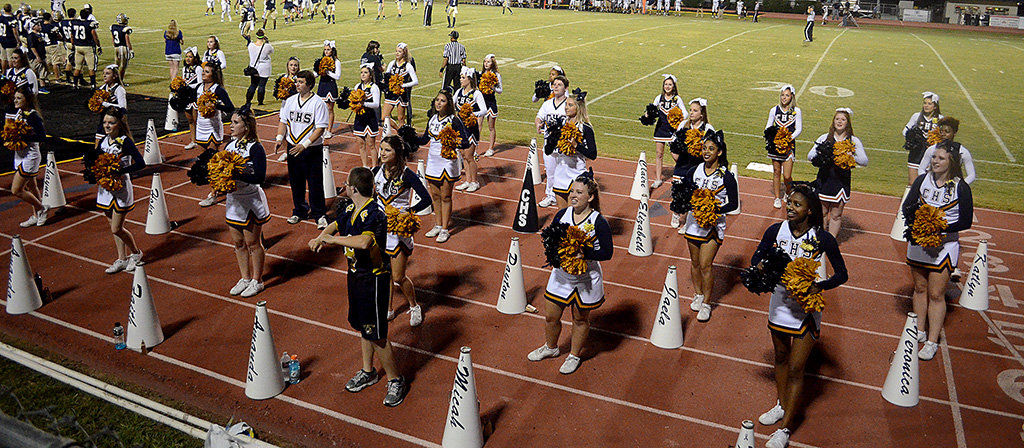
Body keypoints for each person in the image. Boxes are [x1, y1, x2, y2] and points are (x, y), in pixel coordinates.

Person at [751, 183, 848, 448]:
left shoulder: (822, 238)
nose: (790, 207)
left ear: (809, 211)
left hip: (806, 309)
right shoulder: (775, 231)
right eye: (789, 202)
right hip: (780, 303)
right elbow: (756, 258)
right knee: (781, 358)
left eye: (796, 204)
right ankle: (782, 405)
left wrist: (820, 285)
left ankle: (785, 429)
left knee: (796, 368)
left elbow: (842, 274)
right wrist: (760, 268)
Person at [309, 167, 408, 407]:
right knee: (364, 326)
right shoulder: (351, 208)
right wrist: (322, 236)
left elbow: (364, 241)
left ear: (353, 188)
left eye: (346, 184)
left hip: (373, 279)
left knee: (376, 333)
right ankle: (368, 371)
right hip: (355, 275)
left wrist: (332, 240)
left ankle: (396, 380)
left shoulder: (374, 213)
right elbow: (335, 223)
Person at [527, 173, 613, 375]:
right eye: (572, 191)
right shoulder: (561, 214)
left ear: (590, 197)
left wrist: (584, 253)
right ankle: (551, 347)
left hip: (586, 279)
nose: (573, 195)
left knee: (580, 319)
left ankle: (574, 355)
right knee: (551, 316)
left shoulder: (598, 221)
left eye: (579, 192)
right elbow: (552, 242)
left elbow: (607, 253)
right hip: (561, 276)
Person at [904, 144, 973, 361]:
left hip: (945, 246)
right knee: (920, 288)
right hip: (919, 243)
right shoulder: (921, 180)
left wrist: (938, 227)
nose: (935, 161)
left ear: (951, 162)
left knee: (936, 294)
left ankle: (932, 341)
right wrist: (918, 224)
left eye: (941, 158)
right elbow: (907, 207)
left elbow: (965, 221)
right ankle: (920, 330)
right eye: (934, 156)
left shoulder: (961, 187)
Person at [374, 134, 432, 326]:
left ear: (397, 153)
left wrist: (409, 212)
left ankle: (414, 306)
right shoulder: (376, 171)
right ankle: (388, 308)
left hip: (398, 231)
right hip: (380, 229)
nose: (382, 153)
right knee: (384, 272)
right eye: (381, 149)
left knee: (398, 276)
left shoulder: (407, 175)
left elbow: (426, 200)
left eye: (387, 150)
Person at [680, 130, 738, 322]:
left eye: (711, 149)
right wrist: (690, 204)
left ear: (719, 152)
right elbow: (685, 196)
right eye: (704, 148)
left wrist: (713, 210)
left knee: (706, 265)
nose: (706, 152)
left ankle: (707, 303)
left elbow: (733, 204)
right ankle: (697, 294)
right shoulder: (693, 171)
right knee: (695, 263)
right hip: (693, 224)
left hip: (713, 225)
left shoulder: (726, 176)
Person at [223, 107, 270, 298]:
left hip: (250, 200)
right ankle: (245, 278)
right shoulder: (229, 146)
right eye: (231, 122)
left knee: (252, 243)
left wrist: (235, 172)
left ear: (246, 126)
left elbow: (260, 176)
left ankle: (257, 280)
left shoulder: (255, 148)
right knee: (238, 243)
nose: (231, 126)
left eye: (235, 123)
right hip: (233, 200)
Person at [93, 107, 145, 274]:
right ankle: (121, 258)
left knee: (117, 228)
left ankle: (136, 253)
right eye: (105, 122)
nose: (107, 126)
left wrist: (121, 172)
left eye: (111, 123)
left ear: (119, 124)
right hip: (105, 189)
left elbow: (140, 163)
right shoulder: (103, 141)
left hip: (121, 188)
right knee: (112, 226)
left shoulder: (125, 141)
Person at [276, 70, 330, 228]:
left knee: (315, 183)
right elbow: (283, 121)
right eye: (296, 81)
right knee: (296, 182)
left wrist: (304, 145)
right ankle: (299, 210)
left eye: (300, 82)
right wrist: (279, 138)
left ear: (310, 85)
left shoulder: (318, 103)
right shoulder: (290, 100)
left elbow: (320, 128)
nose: (297, 84)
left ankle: (319, 214)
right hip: (293, 147)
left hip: (311, 149)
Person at [419, 89, 470, 243]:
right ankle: (437, 224)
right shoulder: (432, 118)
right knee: (435, 196)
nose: (439, 103)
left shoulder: (454, 120)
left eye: (442, 101)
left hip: (448, 162)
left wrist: (452, 142)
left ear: (449, 104)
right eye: (437, 100)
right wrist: (407, 136)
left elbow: (465, 142)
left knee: (445, 196)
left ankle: (445, 229)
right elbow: (424, 140)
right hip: (433, 161)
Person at [808, 108, 868, 237]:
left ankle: (831, 242)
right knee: (822, 213)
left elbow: (864, 161)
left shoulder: (853, 141)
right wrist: (822, 153)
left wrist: (850, 156)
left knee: (836, 215)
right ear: (833, 121)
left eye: (843, 119)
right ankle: (821, 240)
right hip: (824, 180)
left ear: (848, 123)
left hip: (841, 182)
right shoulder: (825, 137)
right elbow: (810, 156)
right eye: (837, 119)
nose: (839, 122)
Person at [544, 88, 596, 209]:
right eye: (566, 104)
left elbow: (593, 154)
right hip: (560, 173)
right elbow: (548, 151)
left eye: (570, 105)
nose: (566, 107)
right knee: (562, 214)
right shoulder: (559, 125)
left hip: (576, 174)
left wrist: (576, 146)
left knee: (574, 214)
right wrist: (552, 140)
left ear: (578, 108)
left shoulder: (585, 128)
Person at [5, 87, 48, 227]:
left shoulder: (33, 116)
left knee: (16, 190)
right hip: (20, 154)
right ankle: (36, 215)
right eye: (15, 98)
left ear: (27, 100)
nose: (15, 100)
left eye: (19, 98)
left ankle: (42, 208)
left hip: (30, 155)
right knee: (32, 186)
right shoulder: (19, 112)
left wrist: (23, 136)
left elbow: (42, 136)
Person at [194, 63, 236, 207]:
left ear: (213, 75)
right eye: (203, 72)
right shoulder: (199, 88)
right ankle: (219, 183)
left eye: (206, 72)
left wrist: (215, 106)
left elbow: (230, 107)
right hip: (200, 127)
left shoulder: (218, 89)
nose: (203, 74)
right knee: (203, 162)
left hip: (213, 128)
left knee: (212, 162)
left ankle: (213, 194)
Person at [670, 98, 715, 230]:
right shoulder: (683, 125)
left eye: (695, 111)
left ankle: (688, 222)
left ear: (702, 114)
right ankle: (676, 214)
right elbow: (673, 144)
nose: (691, 113)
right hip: (682, 165)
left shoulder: (707, 128)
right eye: (690, 110)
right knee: (678, 191)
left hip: (697, 167)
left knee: (692, 195)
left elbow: (712, 148)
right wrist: (677, 159)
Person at [644, 74, 686, 190]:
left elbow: (685, 113)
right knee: (659, 154)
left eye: (670, 84)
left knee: (676, 156)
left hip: (672, 130)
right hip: (660, 129)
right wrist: (647, 115)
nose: (667, 86)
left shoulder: (677, 99)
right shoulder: (659, 98)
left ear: (674, 86)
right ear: (663, 86)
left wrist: (678, 123)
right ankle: (658, 179)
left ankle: (682, 175)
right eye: (666, 84)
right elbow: (652, 109)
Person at [764, 84, 802, 208]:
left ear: (792, 97)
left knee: (787, 175)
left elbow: (799, 129)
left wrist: (787, 139)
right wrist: (775, 139)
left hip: (789, 146)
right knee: (776, 172)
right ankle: (776, 198)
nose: (784, 98)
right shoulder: (774, 110)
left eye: (787, 95)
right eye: (782, 95)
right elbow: (768, 127)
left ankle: (788, 192)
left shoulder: (796, 111)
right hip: (775, 145)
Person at [535, 75, 569, 208]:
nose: (555, 86)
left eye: (559, 84)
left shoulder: (568, 104)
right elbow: (539, 117)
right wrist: (538, 124)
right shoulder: (547, 104)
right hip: (549, 144)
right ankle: (550, 195)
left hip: (563, 145)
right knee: (550, 171)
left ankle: (564, 197)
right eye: (554, 84)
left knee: (564, 171)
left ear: (565, 88)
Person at [452, 66, 486, 193]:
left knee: (469, 155)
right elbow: (452, 103)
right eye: (461, 77)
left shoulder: (476, 94)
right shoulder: (459, 92)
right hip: (460, 128)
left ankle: (475, 181)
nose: (460, 79)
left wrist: (473, 114)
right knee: (462, 155)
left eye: (463, 77)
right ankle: (467, 180)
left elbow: (484, 110)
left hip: (471, 128)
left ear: (470, 79)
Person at [902, 91, 942, 185]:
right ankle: (909, 199)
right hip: (916, 152)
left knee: (927, 183)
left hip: (931, 154)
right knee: (912, 183)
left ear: (935, 106)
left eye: (929, 104)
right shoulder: (916, 116)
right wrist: (910, 137)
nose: (926, 106)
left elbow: (943, 136)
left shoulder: (940, 119)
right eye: (925, 103)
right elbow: (905, 130)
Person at [382, 42, 418, 133]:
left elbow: (415, 81)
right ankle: (400, 131)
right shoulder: (392, 64)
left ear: (404, 53)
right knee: (384, 117)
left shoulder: (408, 66)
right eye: (396, 51)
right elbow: (386, 77)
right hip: (391, 93)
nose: (397, 53)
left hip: (402, 94)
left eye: (400, 51)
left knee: (400, 118)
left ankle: (401, 137)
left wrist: (403, 85)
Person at [351, 63, 382, 167]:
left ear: (370, 75)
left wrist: (364, 104)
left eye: (365, 72)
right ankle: (365, 166)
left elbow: (376, 104)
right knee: (360, 144)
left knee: (371, 145)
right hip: (359, 118)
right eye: (361, 72)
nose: (363, 75)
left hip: (370, 118)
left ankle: (374, 167)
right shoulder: (357, 86)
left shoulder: (374, 87)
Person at [92, 65, 127, 145]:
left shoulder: (119, 90)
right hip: (104, 121)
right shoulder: (102, 88)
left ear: (114, 76)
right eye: (103, 73)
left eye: (107, 73)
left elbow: (123, 108)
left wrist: (105, 104)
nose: (104, 75)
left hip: (116, 123)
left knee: (117, 146)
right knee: (98, 144)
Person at [314, 40, 341, 139]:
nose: (326, 51)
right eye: (325, 49)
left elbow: (337, 76)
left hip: (330, 85)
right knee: (320, 108)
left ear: (332, 50)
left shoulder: (336, 61)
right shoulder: (320, 60)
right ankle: (321, 129)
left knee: (329, 108)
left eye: (328, 50)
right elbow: (316, 74)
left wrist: (327, 72)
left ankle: (329, 130)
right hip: (322, 85)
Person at [69, 7, 100, 88]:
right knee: (91, 68)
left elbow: (71, 36)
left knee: (77, 67)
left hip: (78, 47)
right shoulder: (89, 24)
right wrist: (99, 45)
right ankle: (93, 85)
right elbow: (95, 36)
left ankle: (74, 84)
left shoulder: (75, 23)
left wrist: (73, 45)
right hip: (88, 48)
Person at [480, 54, 502, 157]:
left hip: (491, 102)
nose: (486, 64)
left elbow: (500, 90)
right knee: (478, 126)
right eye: (485, 62)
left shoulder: (496, 75)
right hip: (481, 102)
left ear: (492, 63)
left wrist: (492, 87)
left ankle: (491, 148)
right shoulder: (481, 73)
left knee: (491, 127)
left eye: (488, 62)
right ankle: (474, 148)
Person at [180, 47, 202, 150]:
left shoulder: (198, 68)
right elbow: (184, 80)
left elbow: (201, 83)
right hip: (187, 96)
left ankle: (200, 139)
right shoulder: (184, 69)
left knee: (196, 119)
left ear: (195, 58)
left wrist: (191, 87)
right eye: (187, 57)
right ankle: (193, 141)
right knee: (190, 120)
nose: (188, 59)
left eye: (190, 57)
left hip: (195, 96)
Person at [244, 29, 273, 107]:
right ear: (263, 37)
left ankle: (248, 100)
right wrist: (267, 42)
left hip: (254, 68)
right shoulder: (267, 46)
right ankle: (260, 101)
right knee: (262, 85)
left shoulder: (251, 45)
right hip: (264, 68)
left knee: (253, 85)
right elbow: (271, 51)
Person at [0, 4, 22, 72]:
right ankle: (11, 73)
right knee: (11, 59)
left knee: (3, 58)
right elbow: (15, 32)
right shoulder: (12, 19)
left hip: (2, 39)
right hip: (10, 40)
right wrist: (18, 40)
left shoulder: (1, 18)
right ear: (11, 9)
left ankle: (3, 73)